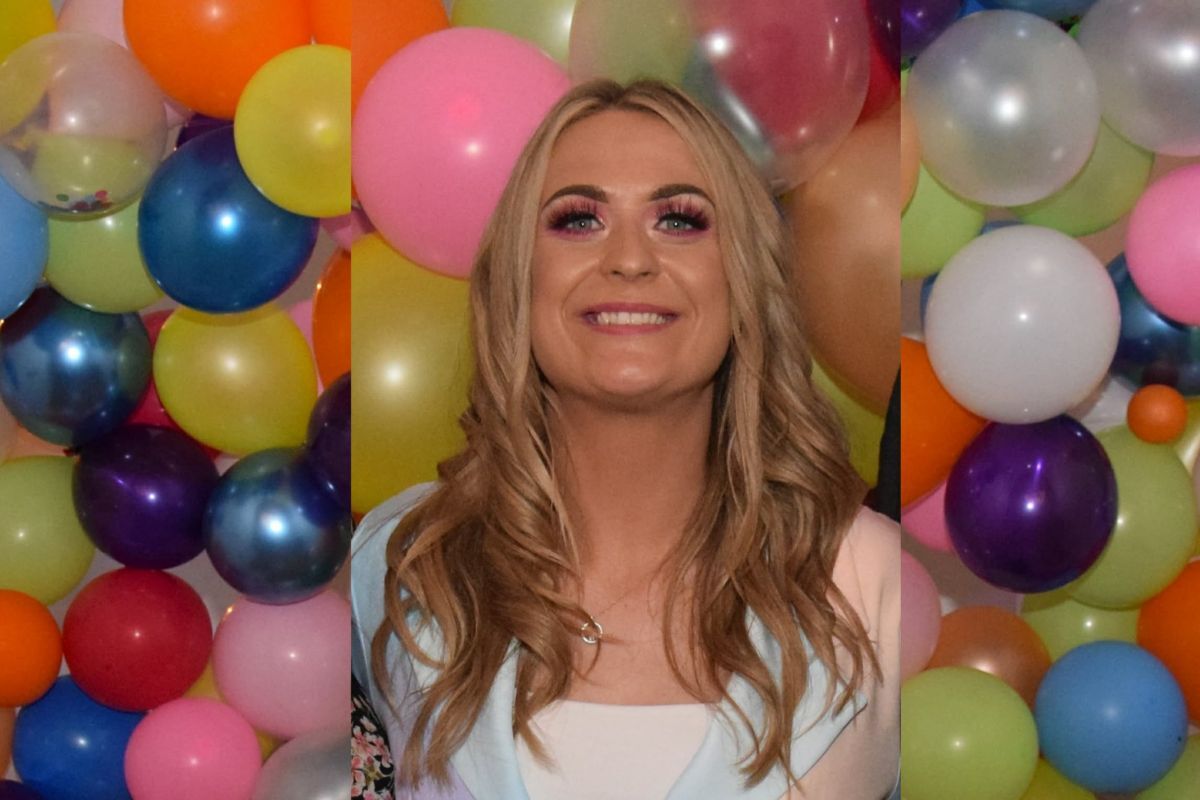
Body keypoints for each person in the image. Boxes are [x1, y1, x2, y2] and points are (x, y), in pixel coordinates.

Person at [351, 78, 899, 800]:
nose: (630, 258)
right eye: (579, 220)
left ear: (744, 281)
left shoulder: (875, 583)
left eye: (680, 220)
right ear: (519, 278)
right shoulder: (397, 565)